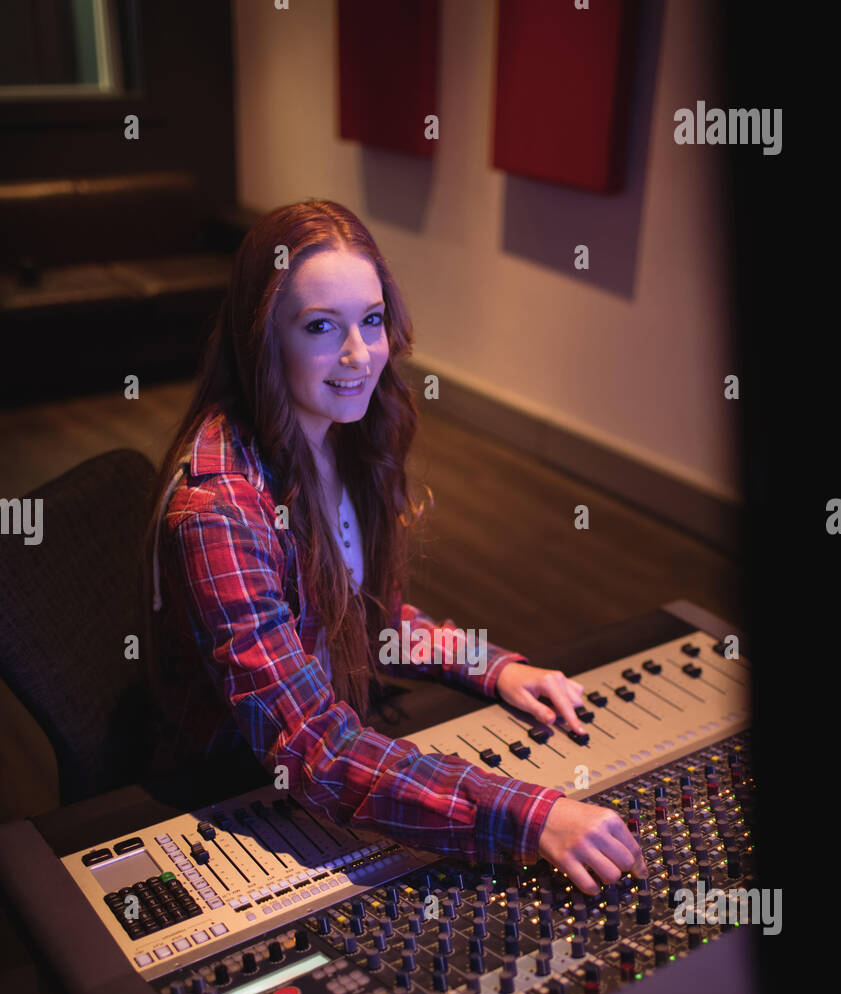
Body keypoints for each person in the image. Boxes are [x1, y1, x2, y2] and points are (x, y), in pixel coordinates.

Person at [142, 199, 644, 894]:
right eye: (321, 327)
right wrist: (534, 818)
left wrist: (491, 668)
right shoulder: (220, 512)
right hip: (235, 793)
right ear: (263, 339)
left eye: (371, 321)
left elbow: (367, 617)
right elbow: (315, 746)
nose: (359, 355)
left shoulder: (338, 427)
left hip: (311, 754)